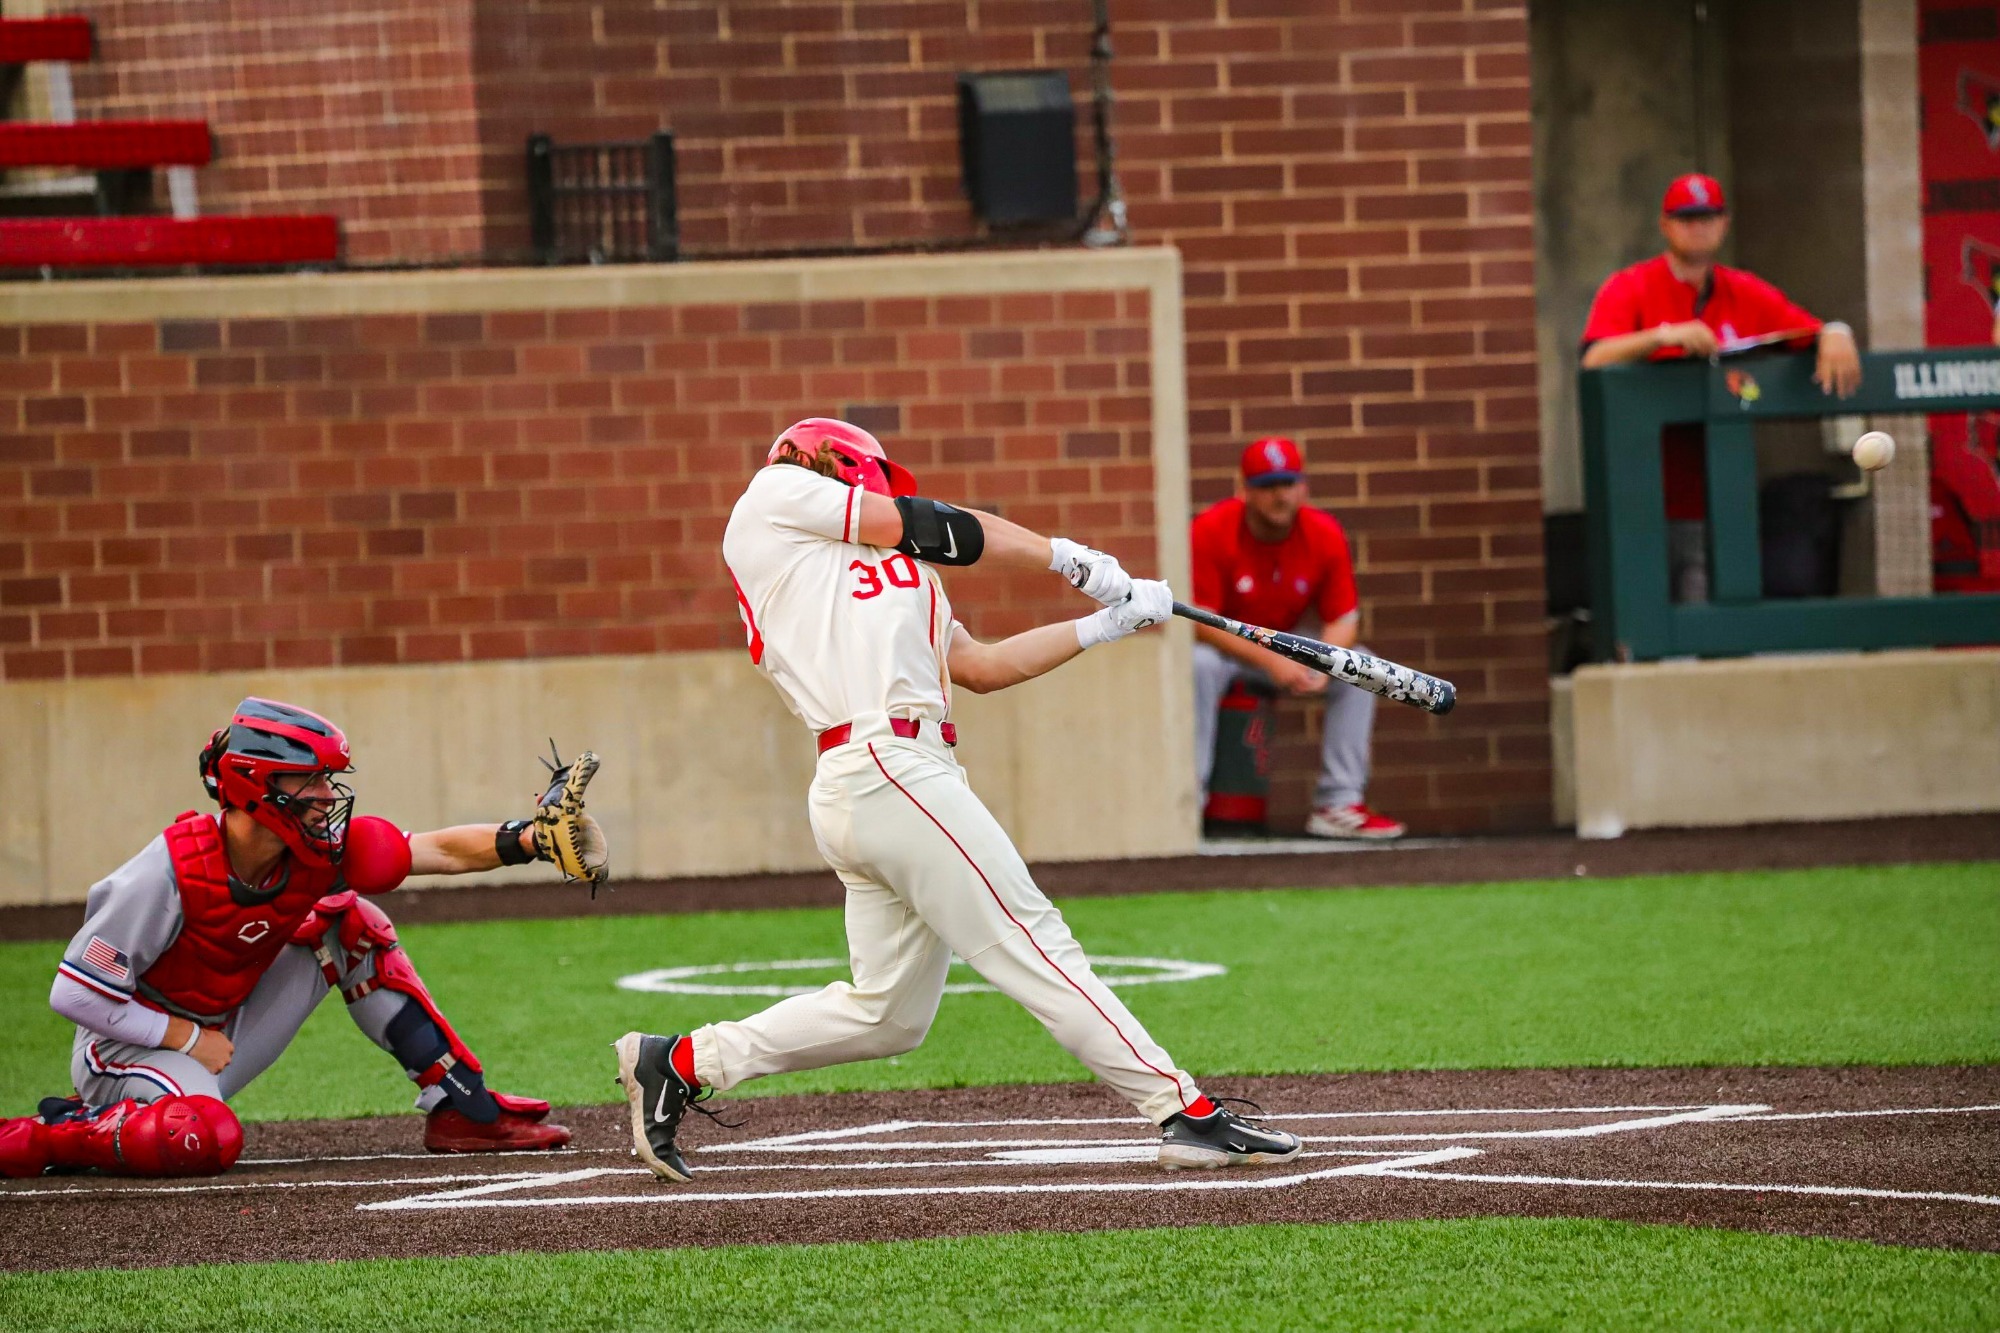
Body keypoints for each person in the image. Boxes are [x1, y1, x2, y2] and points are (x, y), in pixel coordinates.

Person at [613, 418, 1302, 1181]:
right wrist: (1070, 558)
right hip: (881, 764)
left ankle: (677, 1059)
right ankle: (1182, 1109)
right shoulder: (772, 500)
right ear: (838, 463)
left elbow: (978, 665)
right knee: (1032, 937)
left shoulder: (902, 575)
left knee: (888, 1013)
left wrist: (1107, 622)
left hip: (900, 773)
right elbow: (930, 524)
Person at [0, 698, 608, 1179]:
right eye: (309, 780)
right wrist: (183, 1038)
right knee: (205, 1138)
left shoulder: (313, 848)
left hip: (217, 1027)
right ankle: (57, 1130)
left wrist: (526, 840)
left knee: (350, 921)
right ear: (256, 786)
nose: (326, 795)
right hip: (125, 1056)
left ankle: (461, 1106)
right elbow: (74, 997)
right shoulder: (161, 874)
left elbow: (433, 849)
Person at [1581, 173, 1863, 602]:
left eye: (1707, 217)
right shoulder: (1632, 285)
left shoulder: (1742, 290)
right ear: (1665, 225)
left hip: (1713, 497)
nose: (1697, 227)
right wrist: (1661, 336)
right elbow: (1594, 358)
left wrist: (1836, 331)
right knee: (1641, 622)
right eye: (1686, 218)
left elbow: (1808, 331)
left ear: (1724, 223)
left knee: (1704, 624)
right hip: (1639, 496)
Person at [1189, 436, 1402, 840]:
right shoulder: (1212, 528)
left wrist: (1324, 661)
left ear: (1302, 487)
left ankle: (1338, 803)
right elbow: (1203, 623)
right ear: (1244, 490)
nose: (1279, 496)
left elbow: (1343, 619)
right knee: (1196, 664)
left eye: (1287, 484)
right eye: (1267, 486)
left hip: (1286, 643)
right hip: (1229, 647)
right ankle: (1189, 805)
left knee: (1359, 665)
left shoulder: (1322, 531)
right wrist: (1273, 661)